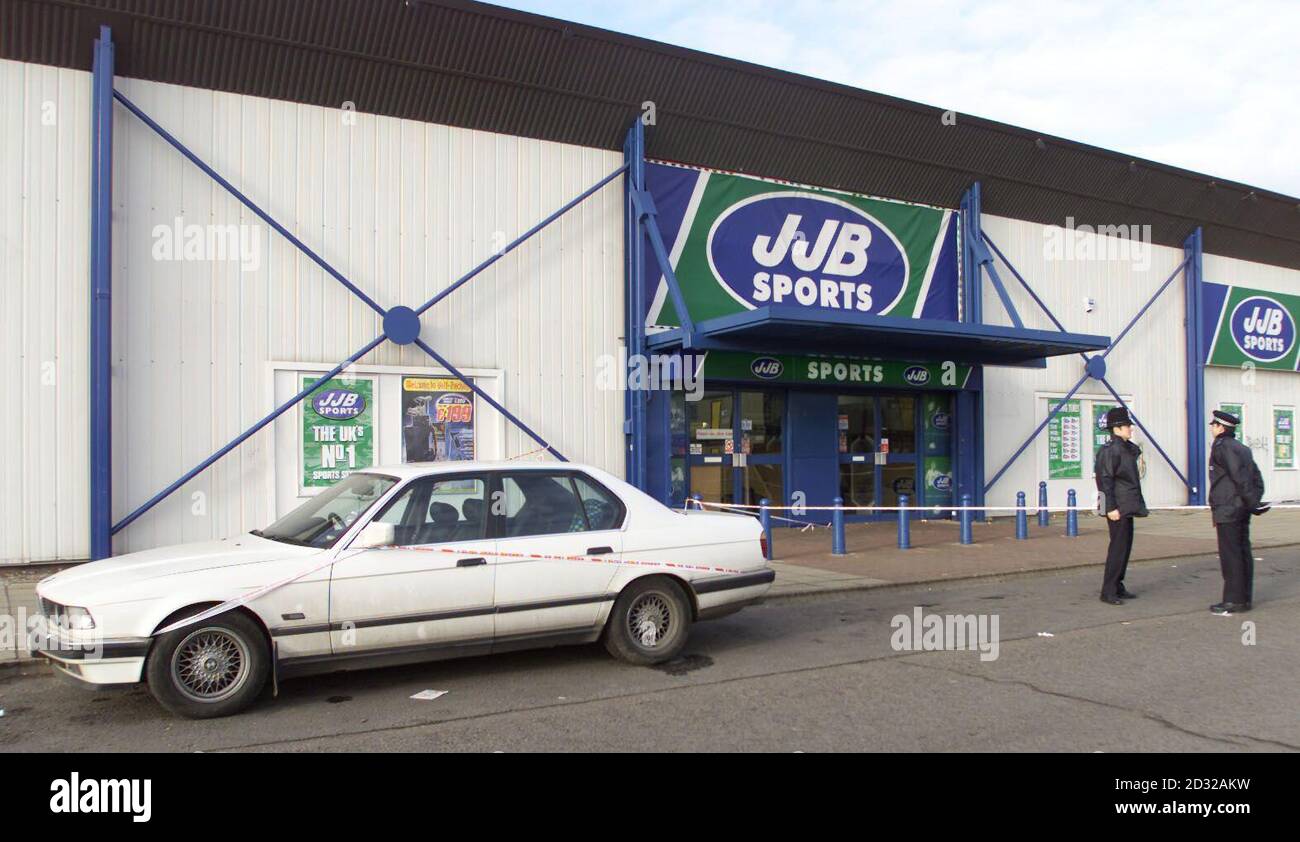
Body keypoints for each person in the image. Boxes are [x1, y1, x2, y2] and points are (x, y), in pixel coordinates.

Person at [1207, 410, 1265, 615]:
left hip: (1228, 508)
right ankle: (1244, 598)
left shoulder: (1222, 447)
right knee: (1242, 552)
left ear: (1220, 428)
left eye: (1213, 425)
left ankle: (1233, 600)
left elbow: (1238, 477)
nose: (1212, 428)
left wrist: (1251, 501)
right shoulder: (1243, 448)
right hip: (1241, 508)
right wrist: (1254, 501)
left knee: (1230, 555)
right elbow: (1256, 477)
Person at [1094, 407, 1148, 605]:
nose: (1130, 429)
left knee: (1125, 546)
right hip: (1117, 507)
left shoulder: (1124, 448)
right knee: (1117, 548)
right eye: (1127, 426)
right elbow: (1104, 481)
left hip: (1127, 505)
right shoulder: (1111, 451)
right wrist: (1110, 508)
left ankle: (1118, 585)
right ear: (1116, 429)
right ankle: (1108, 590)